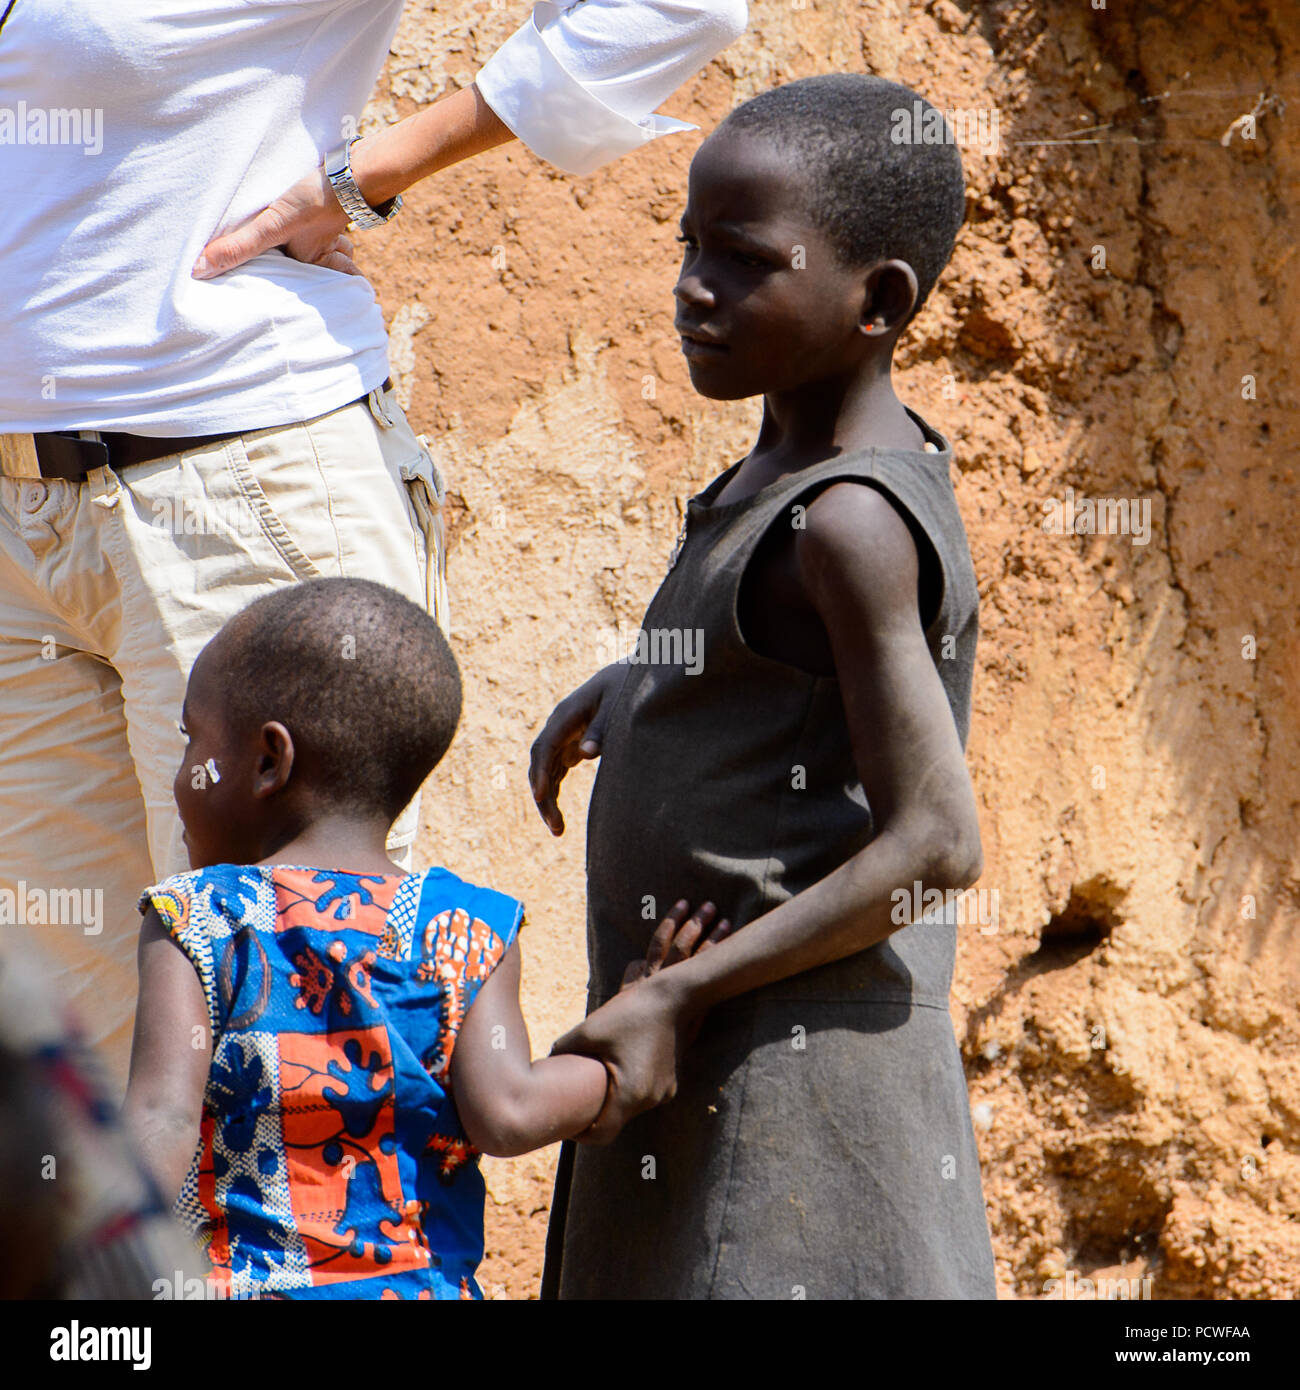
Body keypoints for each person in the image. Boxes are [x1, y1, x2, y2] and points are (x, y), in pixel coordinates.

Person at [0, 0, 748, 1088]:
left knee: (281, 1038)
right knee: (70, 1078)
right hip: (24, 526)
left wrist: (360, 176)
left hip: (239, 489)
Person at [528, 73, 998, 1299]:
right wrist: (646, 681)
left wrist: (681, 987)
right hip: (705, 1062)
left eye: (740, 259)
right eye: (687, 245)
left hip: (795, 1100)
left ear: (876, 302)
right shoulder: (787, 469)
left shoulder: (851, 518)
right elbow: (789, 676)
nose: (691, 285)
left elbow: (937, 842)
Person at [121, 577, 730, 1299]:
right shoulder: (468, 928)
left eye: (192, 739)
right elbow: (510, 1111)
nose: (179, 772)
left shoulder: (195, 919)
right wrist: (648, 1025)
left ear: (268, 762)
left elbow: (160, 1116)